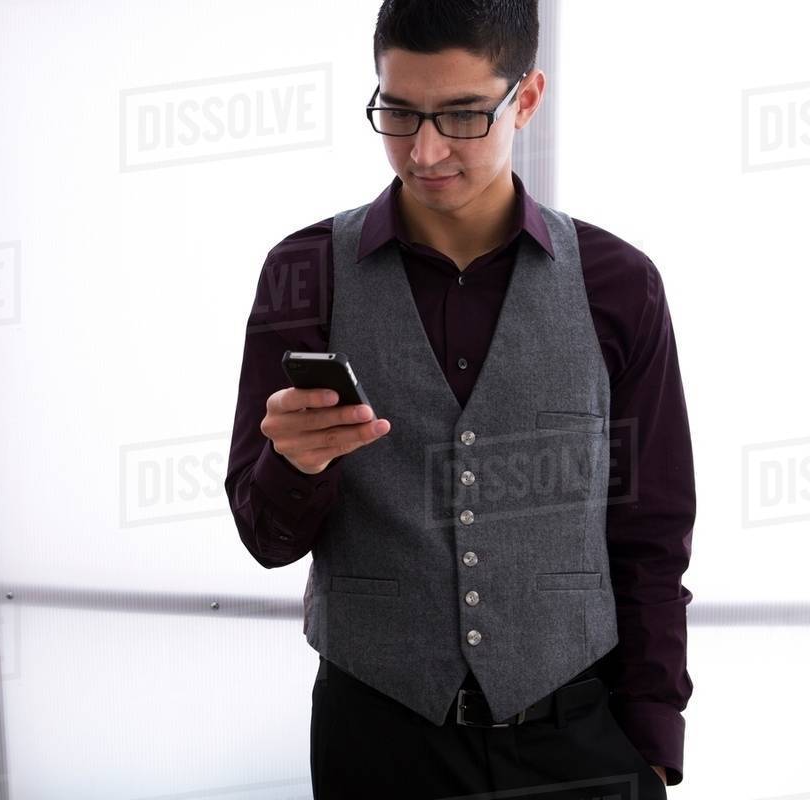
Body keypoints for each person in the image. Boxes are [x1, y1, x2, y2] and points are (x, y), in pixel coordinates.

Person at [223, 1, 695, 797]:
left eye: (464, 115)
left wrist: (652, 746)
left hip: (577, 736)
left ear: (528, 99)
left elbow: (651, 533)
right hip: (376, 738)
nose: (425, 149)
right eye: (398, 111)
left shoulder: (620, 285)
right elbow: (266, 537)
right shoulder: (305, 274)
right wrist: (295, 466)